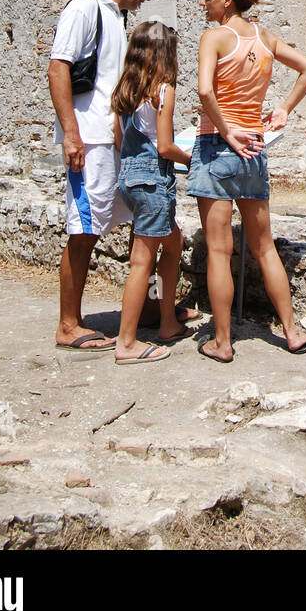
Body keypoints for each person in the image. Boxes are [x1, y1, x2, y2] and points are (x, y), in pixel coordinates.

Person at [187, 0, 306, 362]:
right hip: (256, 148)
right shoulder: (264, 37)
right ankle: (292, 331)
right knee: (264, 248)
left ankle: (223, 341)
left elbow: (205, 90)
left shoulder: (214, 37)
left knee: (218, 249)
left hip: (218, 144)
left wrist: (226, 132)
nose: (204, 1)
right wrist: (283, 109)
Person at [48, 0, 159, 351]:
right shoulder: (85, 8)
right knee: (84, 230)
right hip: (88, 141)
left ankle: (145, 308)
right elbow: (58, 66)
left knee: (139, 219)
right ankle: (68, 324)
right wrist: (71, 134)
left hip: (111, 141)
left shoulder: (114, 16)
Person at [110, 20, 193, 365]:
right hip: (153, 184)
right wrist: (193, 157)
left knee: (173, 244)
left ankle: (167, 320)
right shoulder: (163, 89)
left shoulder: (124, 90)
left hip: (129, 179)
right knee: (141, 263)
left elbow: (119, 140)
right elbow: (164, 147)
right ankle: (126, 342)